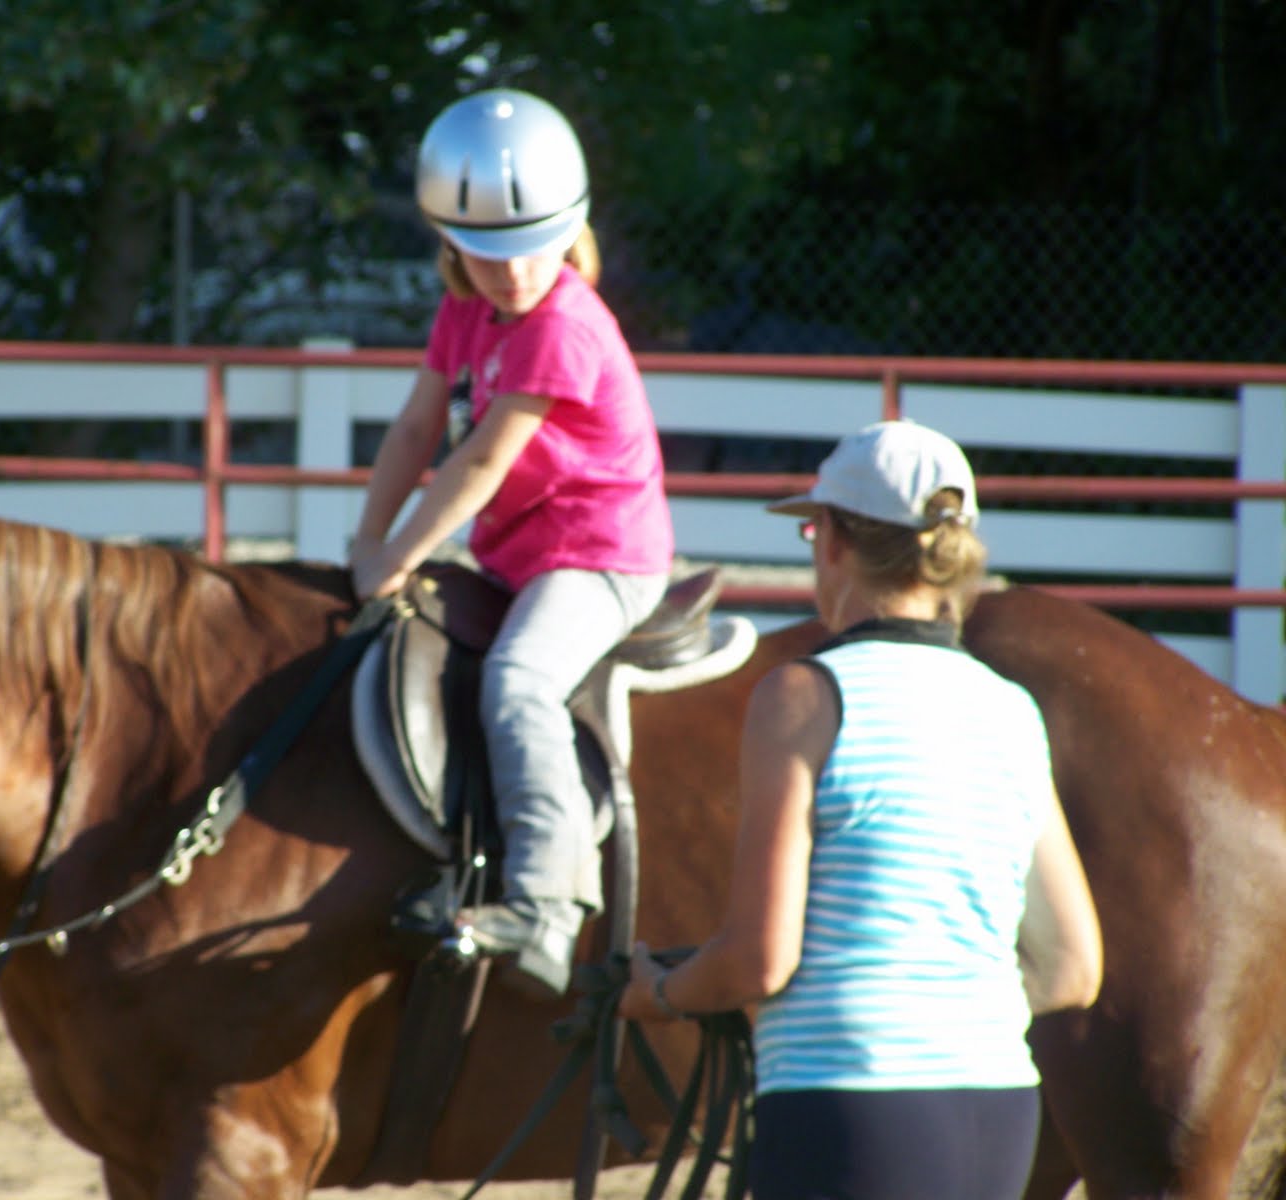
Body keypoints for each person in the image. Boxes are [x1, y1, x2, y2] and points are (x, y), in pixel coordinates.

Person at [618, 418, 1102, 1200]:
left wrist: (659, 993)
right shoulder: (1010, 708)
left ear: (836, 540)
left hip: (850, 1102)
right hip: (998, 1106)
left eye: (814, 530)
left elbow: (761, 960)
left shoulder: (804, 696)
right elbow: (1073, 967)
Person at [349, 87, 675, 999]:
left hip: (601, 556)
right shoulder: (464, 312)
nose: (513, 273)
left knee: (521, 680)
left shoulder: (563, 321)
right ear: (449, 246)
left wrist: (398, 557)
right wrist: (366, 542)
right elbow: (417, 428)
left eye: (536, 247)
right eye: (486, 254)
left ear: (571, 232)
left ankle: (546, 905)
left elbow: (484, 458)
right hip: (521, 556)